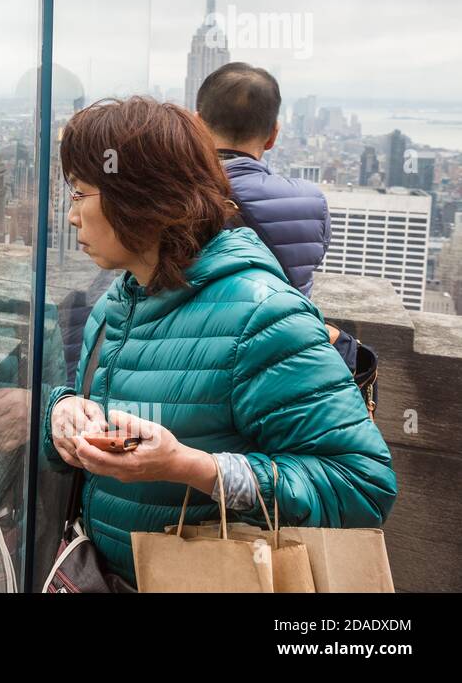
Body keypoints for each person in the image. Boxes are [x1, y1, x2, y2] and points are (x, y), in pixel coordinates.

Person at [41, 96, 396, 588]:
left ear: (142, 198)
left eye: (81, 195)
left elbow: (363, 487)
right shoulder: (121, 300)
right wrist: (62, 414)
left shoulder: (260, 314)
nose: (72, 216)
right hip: (105, 574)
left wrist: (193, 468)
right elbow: (100, 415)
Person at [195, 61, 329, 297]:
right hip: (282, 331)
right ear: (273, 135)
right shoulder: (311, 201)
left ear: (196, 125)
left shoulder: (175, 194)